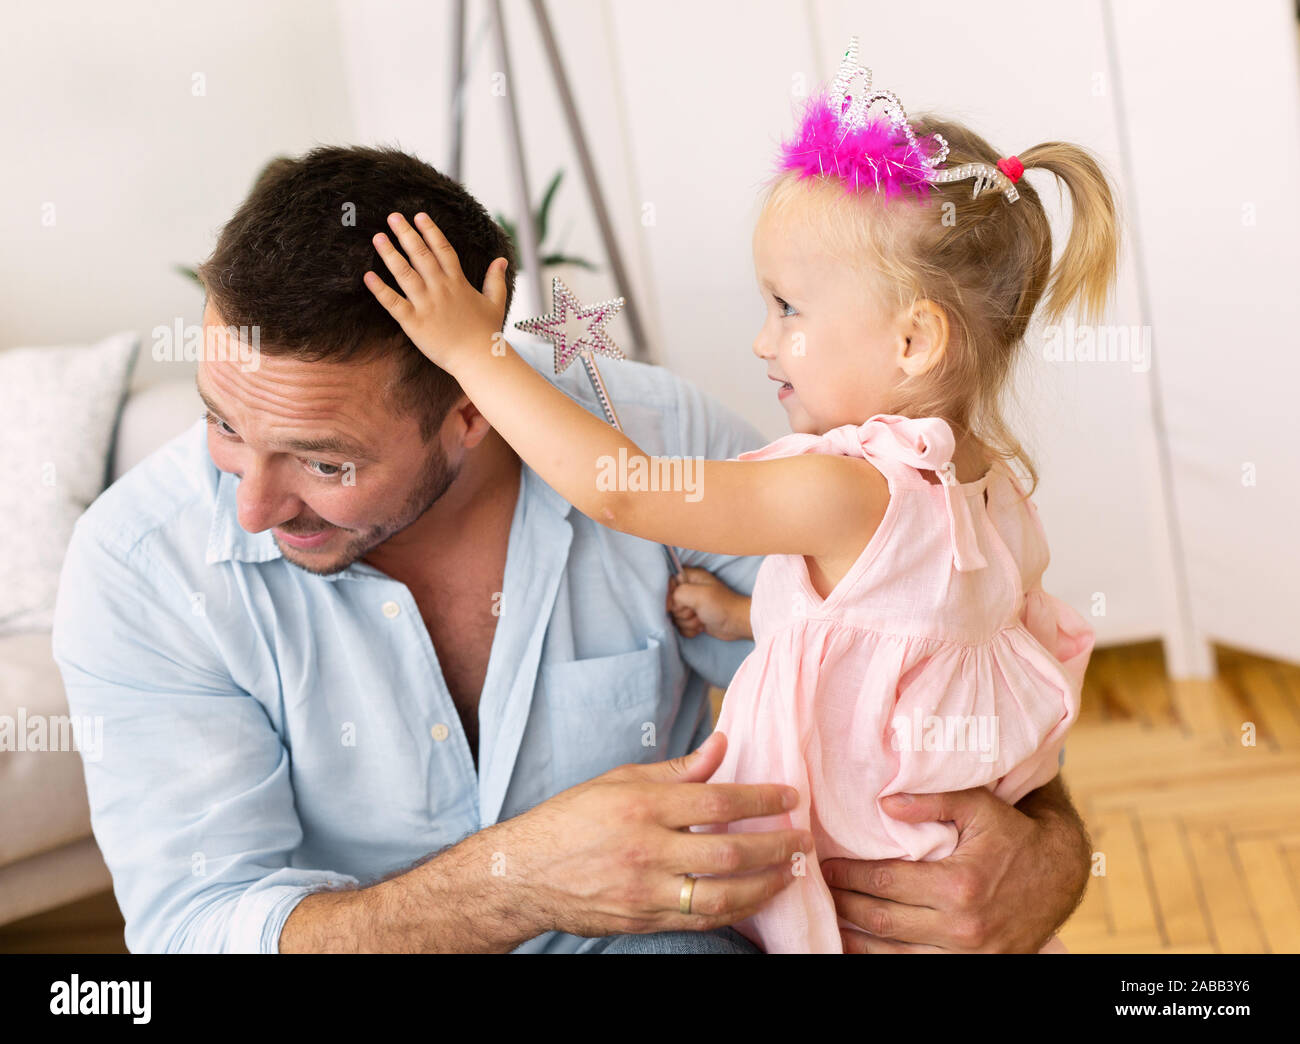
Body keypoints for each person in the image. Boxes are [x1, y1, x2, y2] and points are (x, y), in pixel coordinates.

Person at [53, 143, 1091, 954]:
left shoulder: (670, 439)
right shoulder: (143, 568)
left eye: (325, 464)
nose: (252, 507)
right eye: (226, 427)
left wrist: (1047, 854)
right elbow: (198, 929)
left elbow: (926, 675)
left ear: (472, 409)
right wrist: (516, 878)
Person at [361, 43, 1113, 953]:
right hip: (923, 844)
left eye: (789, 310)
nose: (764, 341)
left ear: (914, 341)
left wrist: (473, 354)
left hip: (847, 873)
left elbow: (626, 491)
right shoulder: (986, 483)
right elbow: (891, 648)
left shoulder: (847, 485)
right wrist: (748, 613)